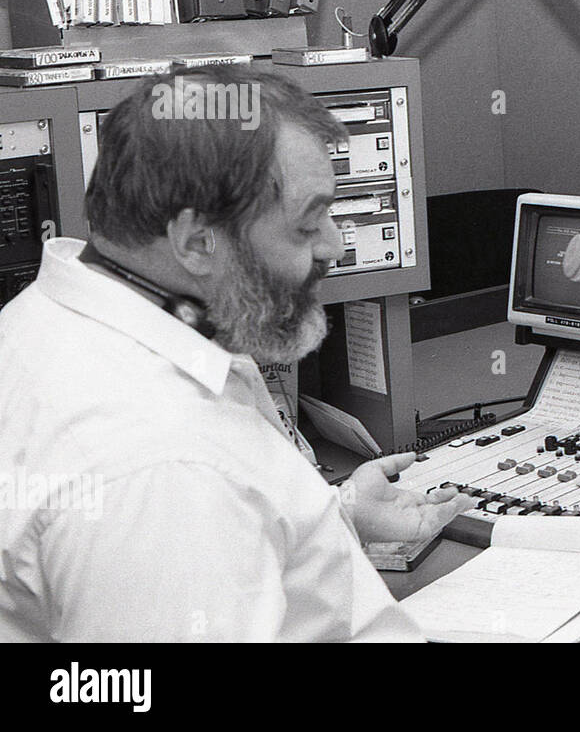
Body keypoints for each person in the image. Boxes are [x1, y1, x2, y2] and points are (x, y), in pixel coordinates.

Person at [0, 65, 475, 641]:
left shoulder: (65, 318)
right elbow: (172, 521)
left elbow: (194, 557)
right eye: (307, 225)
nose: (335, 244)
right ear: (198, 242)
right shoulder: (162, 470)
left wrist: (336, 514)